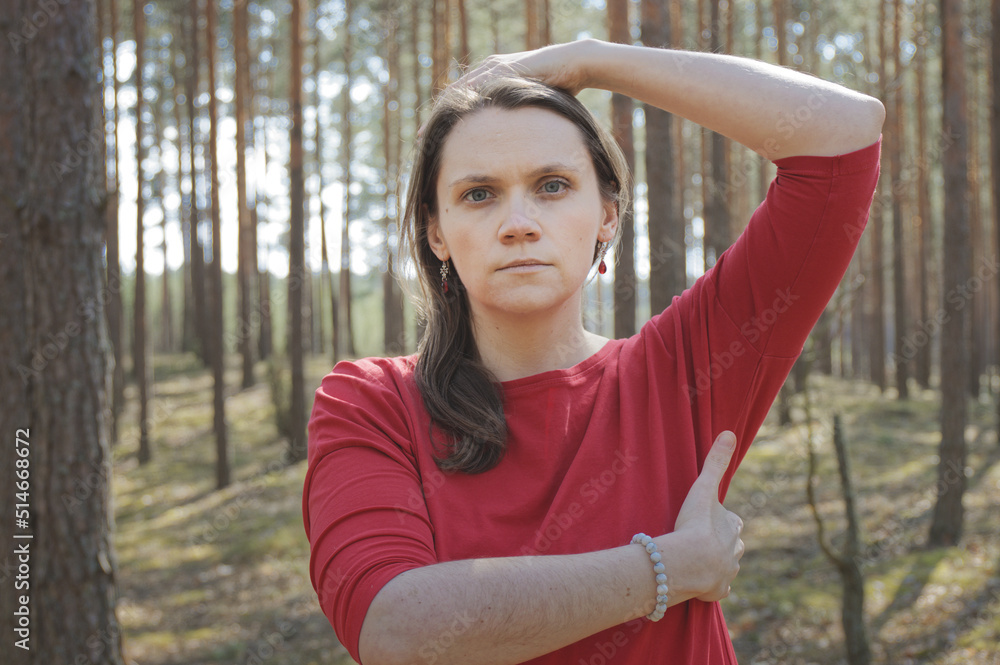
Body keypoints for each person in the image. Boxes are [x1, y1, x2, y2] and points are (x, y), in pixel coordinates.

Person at [303, 38, 884, 665]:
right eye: (479, 194)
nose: (517, 222)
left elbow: (842, 131)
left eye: (552, 186)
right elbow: (396, 630)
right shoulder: (371, 403)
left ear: (607, 215)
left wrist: (592, 60)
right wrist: (667, 567)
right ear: (436, 232)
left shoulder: (683, 370)